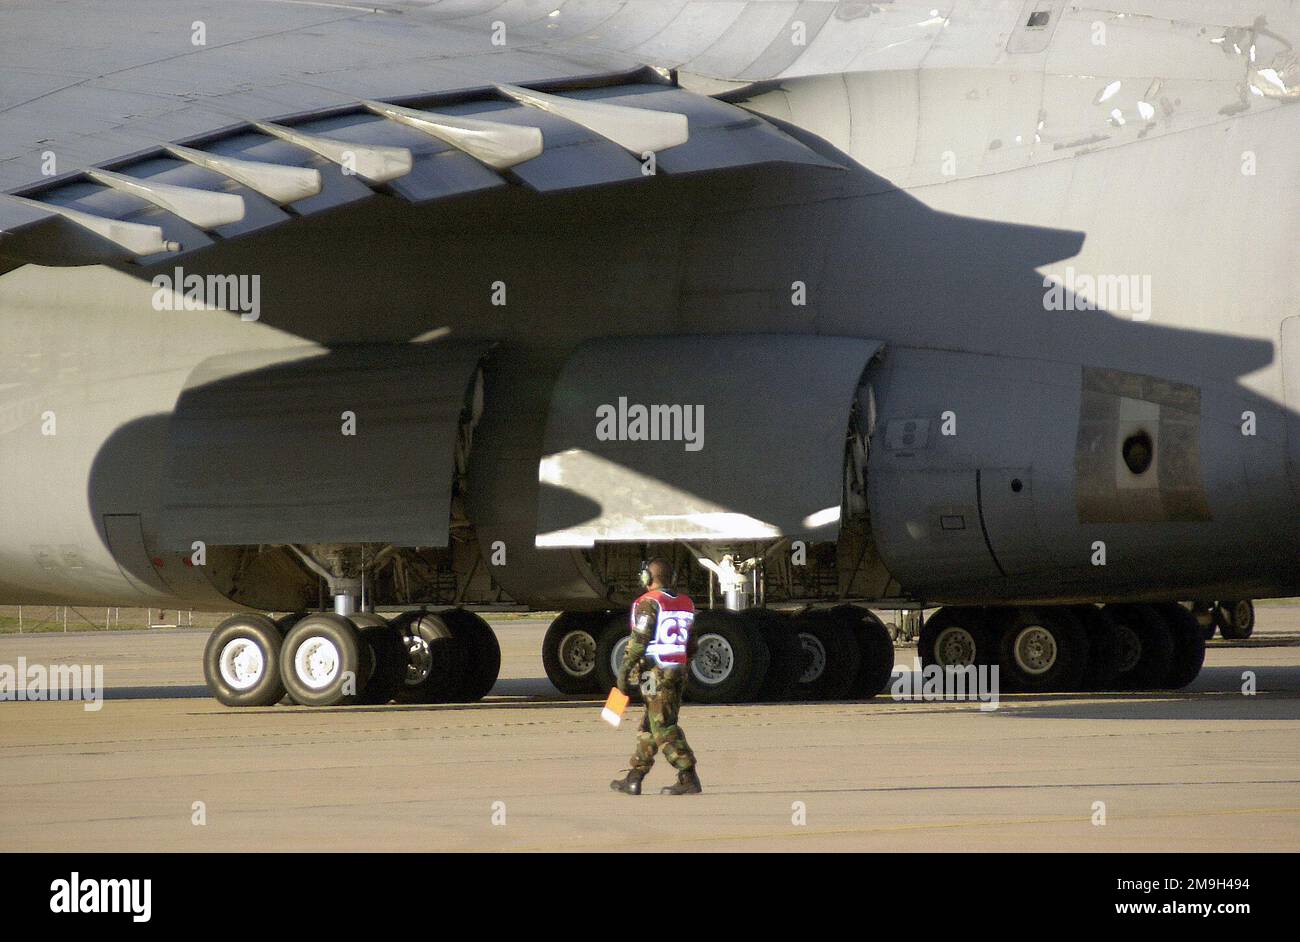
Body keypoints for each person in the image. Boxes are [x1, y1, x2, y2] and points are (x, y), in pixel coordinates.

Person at [610, 556, 702, 795]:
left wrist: (624, 672)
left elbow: (639, 642)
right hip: (677, 670)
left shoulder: (648, 602)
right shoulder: (686, 603)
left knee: (663, 727)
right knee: (649, 725)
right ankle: (635, 776)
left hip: (655, 672)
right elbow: (692, 644)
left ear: (647, 578)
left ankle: (688, 775)